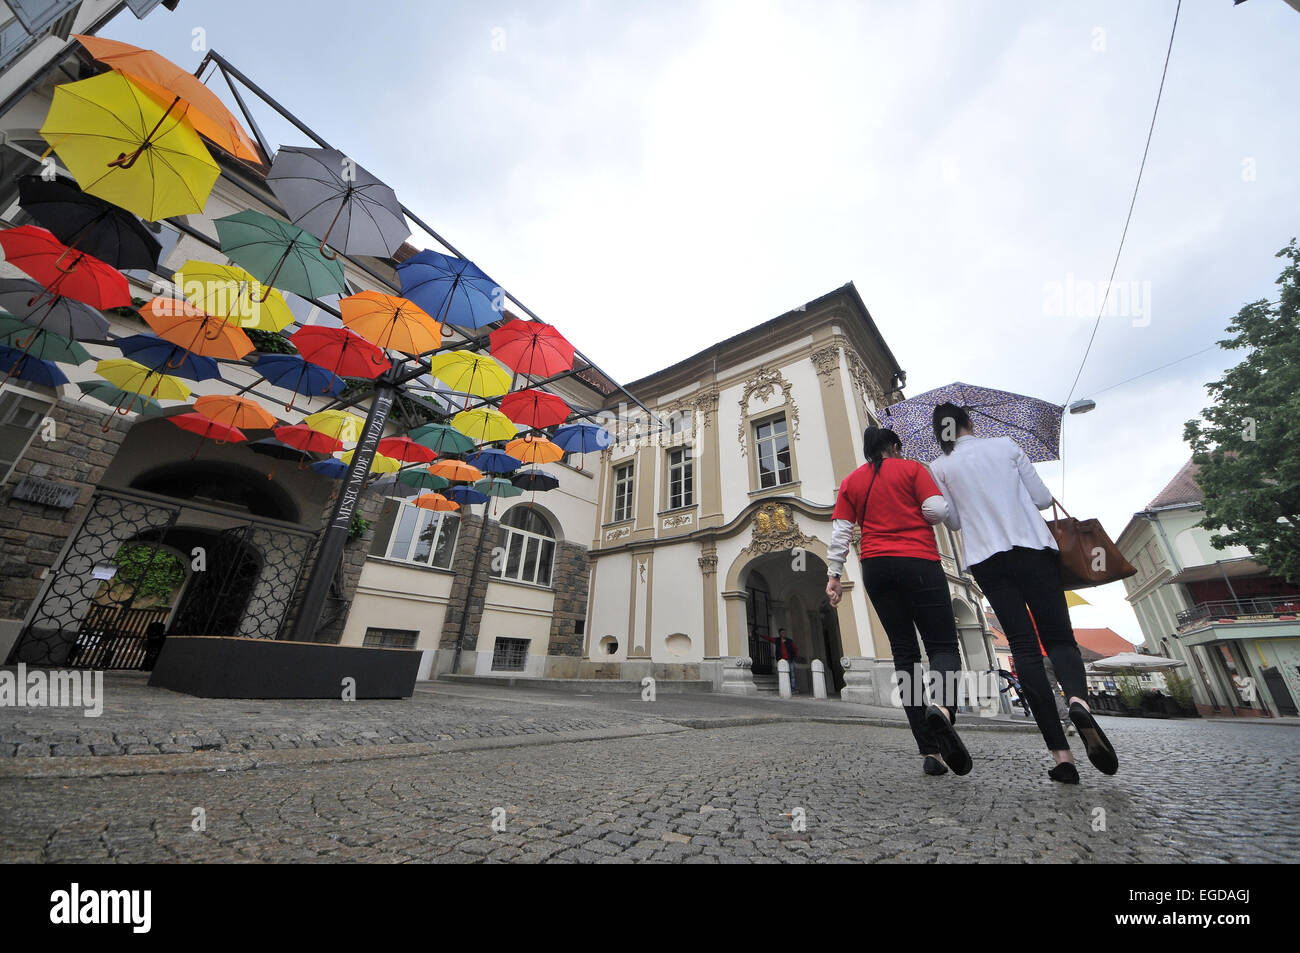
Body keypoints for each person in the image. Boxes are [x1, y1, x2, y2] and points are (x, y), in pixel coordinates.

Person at [927, 403, 1117, 783]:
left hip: (988, 559)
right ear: (970, 422)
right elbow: (1043, 499)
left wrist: (948, 509)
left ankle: (1063, 759)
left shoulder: (939, 466)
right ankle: (1078, 701)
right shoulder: (1006, 445)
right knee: (1060, 639)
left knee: (1024, 649)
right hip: (1033, 548)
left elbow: (957, 519)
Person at [826, 426, 972, 777]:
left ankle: (930, 752)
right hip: (919, 561)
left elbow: (842, 531)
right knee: (942, 646)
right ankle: (943, 708)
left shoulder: (851, 482)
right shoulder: (912, 469)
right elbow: (936, 510)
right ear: (894, 447)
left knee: (904, 655)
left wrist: (833, 575)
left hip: (876, 566)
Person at [761, 628, 799, 693]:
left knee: (792, 675)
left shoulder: (789, 641)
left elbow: (795, 648)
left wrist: (795, 656)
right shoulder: (777, 640)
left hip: (790, 660)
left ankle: (792, 688)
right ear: (779, 634)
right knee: (783, 674)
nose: (783, 634)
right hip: (781, 661)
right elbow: (769, 639)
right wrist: (760, 635)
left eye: (784, 632)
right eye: (782, 633)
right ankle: (785, 687)